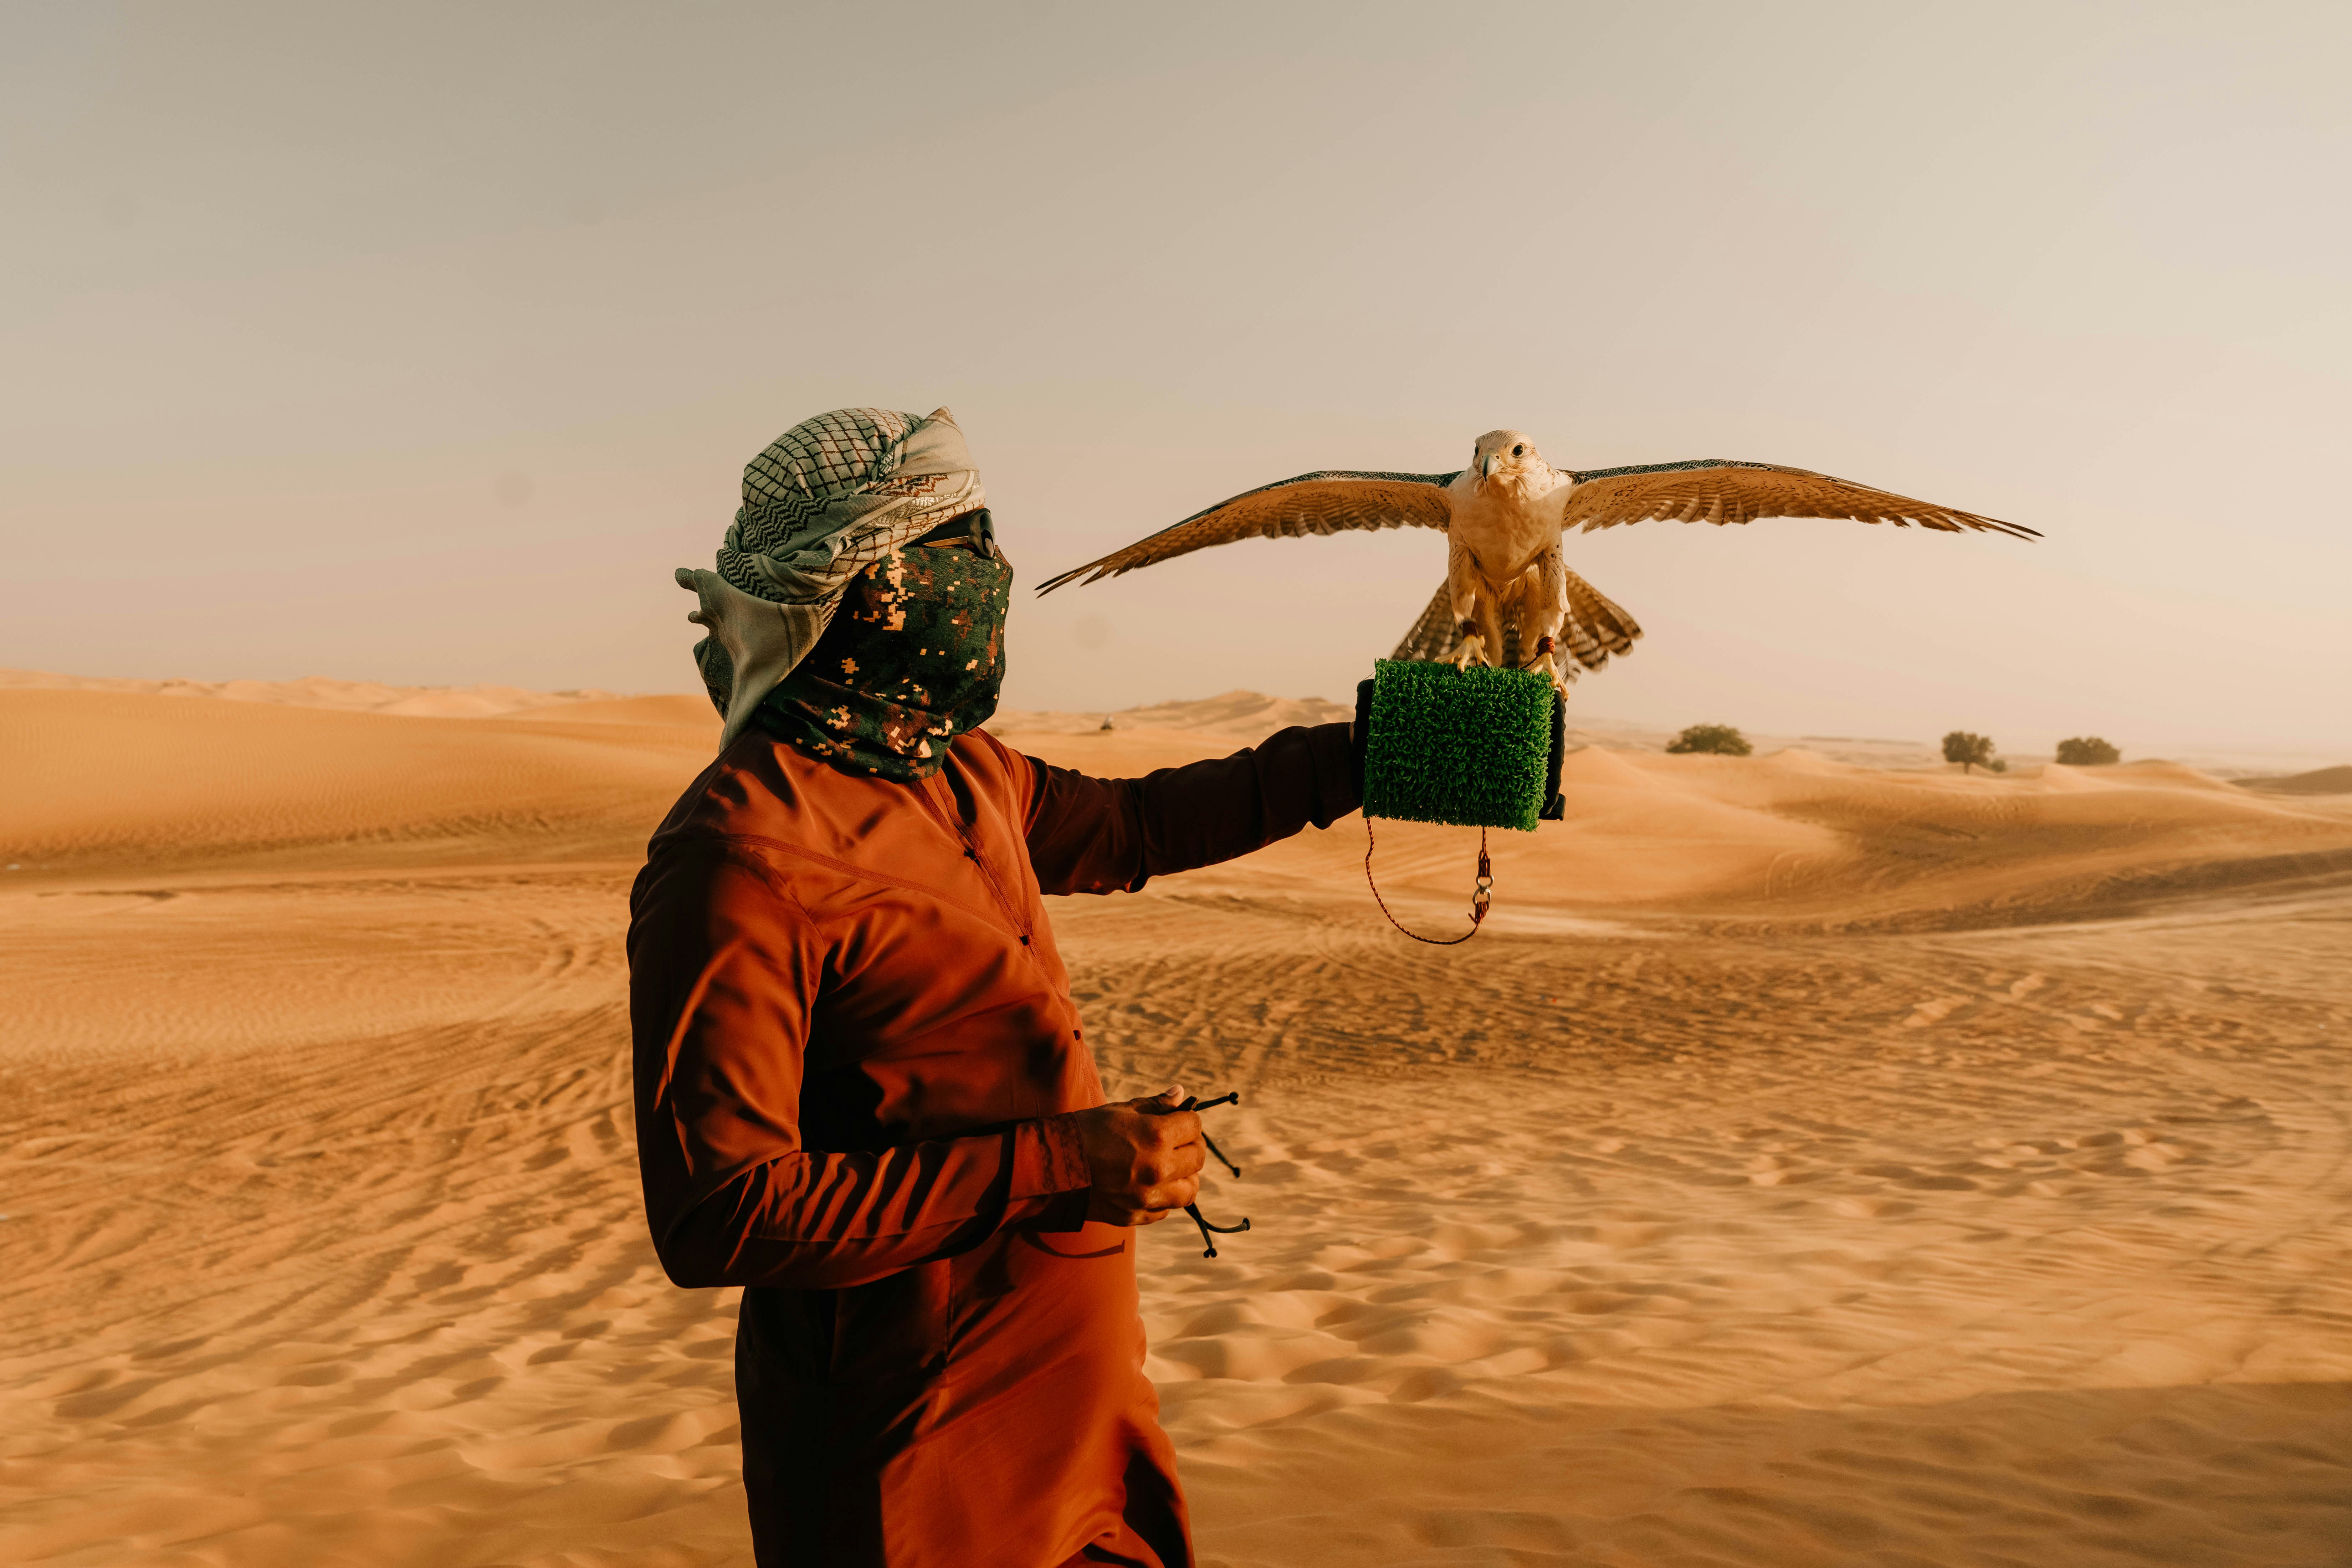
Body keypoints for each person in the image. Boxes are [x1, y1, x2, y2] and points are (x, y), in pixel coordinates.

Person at [630, 408, 1362, 1568]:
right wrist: (1068, 1163)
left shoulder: (958, 766)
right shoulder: (743, 854)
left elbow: (1133, 825)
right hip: (917, 1463)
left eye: (985, 542)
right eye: (951, 548)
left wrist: (1367, 754)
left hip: (1083, 1421)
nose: (985, 579)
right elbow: (722, 1212)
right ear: (854, 585)